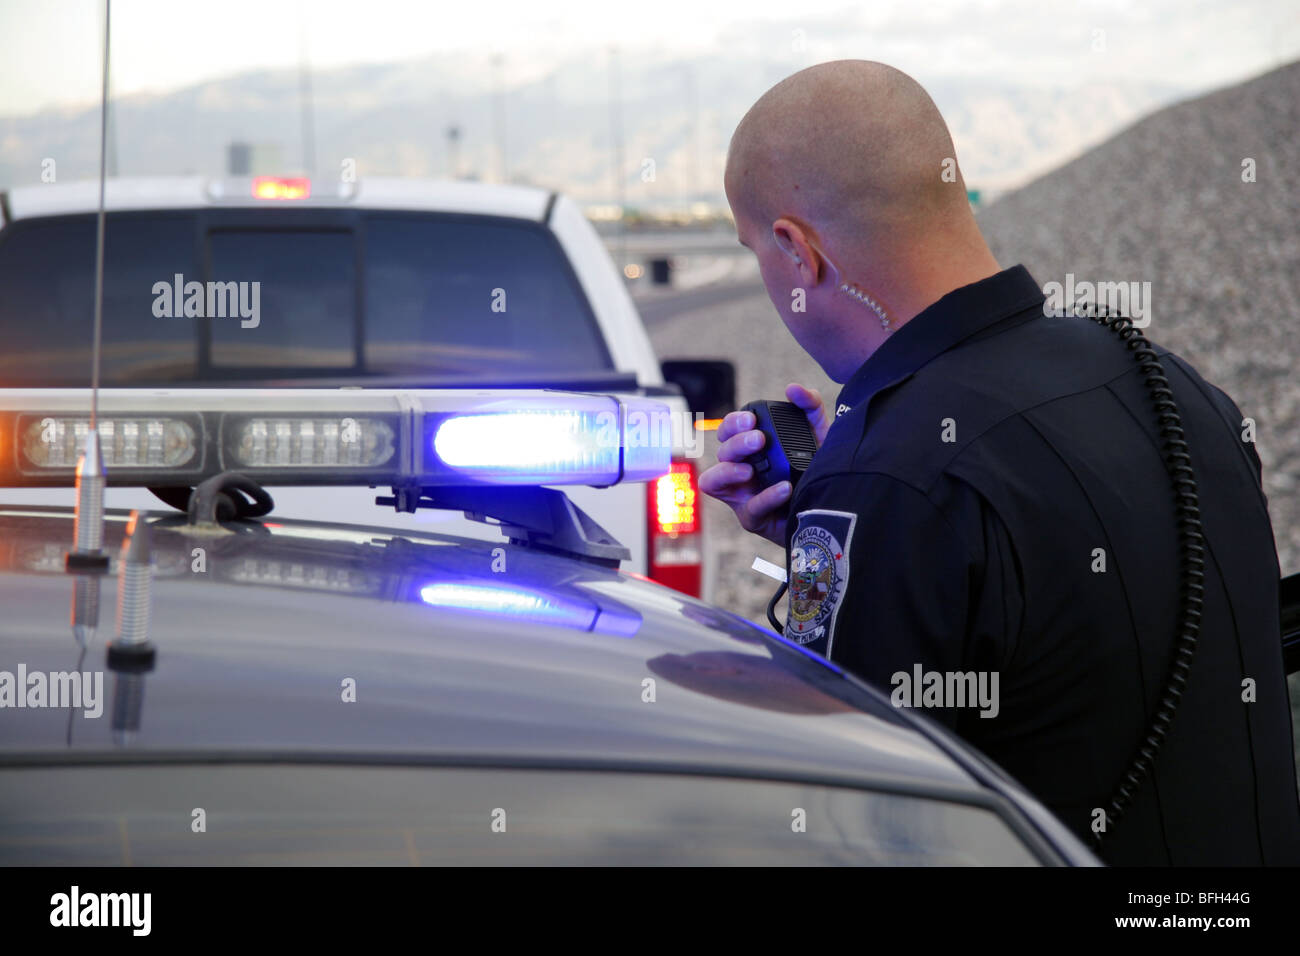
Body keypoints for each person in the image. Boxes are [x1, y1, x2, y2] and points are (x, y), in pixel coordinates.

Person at [701, 59, 1300, 865]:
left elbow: (850, 821)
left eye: (756, 256)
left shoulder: (889, 473)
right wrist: (838, 542)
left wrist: (850, 531)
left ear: (797, 251)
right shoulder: (1174, 386)